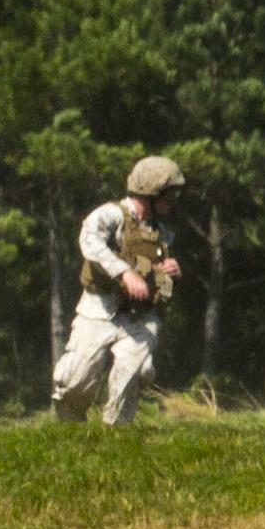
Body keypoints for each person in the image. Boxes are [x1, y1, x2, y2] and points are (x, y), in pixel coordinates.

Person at [52, 154, 187, 425]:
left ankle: (116, 436)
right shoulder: (111, 215)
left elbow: (157, 277)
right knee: (75, 382)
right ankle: (70, 431)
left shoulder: (162, 234)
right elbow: (90, 241)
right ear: (151, 192)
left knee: (131, 374)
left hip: (139, 318)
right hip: (99, 309)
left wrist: (170, 272)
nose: (173, 201)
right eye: (169, 194)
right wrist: (124, 273)